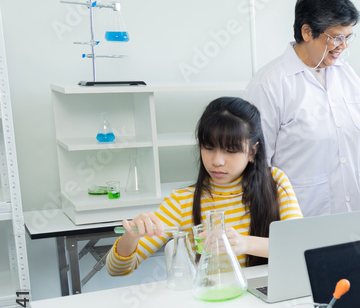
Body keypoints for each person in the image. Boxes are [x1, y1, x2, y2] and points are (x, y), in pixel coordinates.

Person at [245, 0, 360, 217]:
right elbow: (257, 162)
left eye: (348, 37)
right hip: (299, 218)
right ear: (307, 32)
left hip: (353, 215)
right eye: (337, 37)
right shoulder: (270, 83)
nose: (344, 46)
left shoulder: (347, 75)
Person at [107, 97, 302, 276]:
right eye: (208, 148)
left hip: (270, 295)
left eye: (230, 150)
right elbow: (117, 270)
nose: (217, 161)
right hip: (213, 299)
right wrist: (131, 236)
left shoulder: (275, 182)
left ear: (252, 151)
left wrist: (244, 243)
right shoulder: (182, 201)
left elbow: (301, 247)